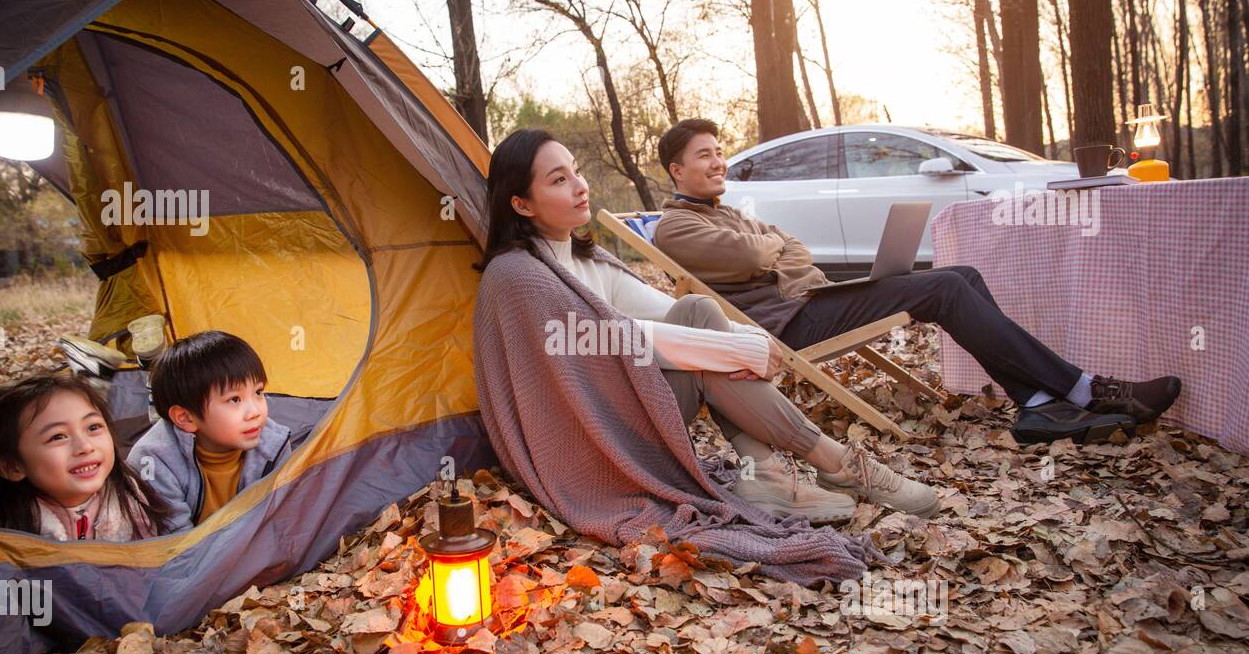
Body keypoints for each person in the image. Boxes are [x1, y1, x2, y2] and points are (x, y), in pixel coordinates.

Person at [474, 129, 940, 521]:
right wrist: (737, 352)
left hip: (628, 404)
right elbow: (620, 340)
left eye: (576, 170)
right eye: (559, 179)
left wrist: (749, 336)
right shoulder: (520, 276)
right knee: (703, 359)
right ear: (521, 203)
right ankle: (836, 463)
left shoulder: (584, 257)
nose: (580, 185)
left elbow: (660, 310)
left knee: (698, 310)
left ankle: (767, 477)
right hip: (591, 440)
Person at [652, 118, 1182, 445]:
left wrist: (772, 253)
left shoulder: (727, 210)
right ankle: (1085, 390)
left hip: (810, 300)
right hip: (786, 326)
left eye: (719, 150)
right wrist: (771, 251)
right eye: (705, 155)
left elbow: (792, 247)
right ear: (676, 171)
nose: (719, 161)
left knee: (963, 275)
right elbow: (761, 248)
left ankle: (1039, 406)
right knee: (944, 289)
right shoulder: (676, 226)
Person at [129, 330, 291, 533]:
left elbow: (284, 518)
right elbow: (172, 546)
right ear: (186, 418)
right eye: (234, 399)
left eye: (258, 392)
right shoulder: (155, 462)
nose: (255, 412)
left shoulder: (274, 444)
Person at [0, 374, 165, 541]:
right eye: (57, 437)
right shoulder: (3, 530)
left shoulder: (131, 499)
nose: (85, 447)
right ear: (12, 467)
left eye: (93, 427)